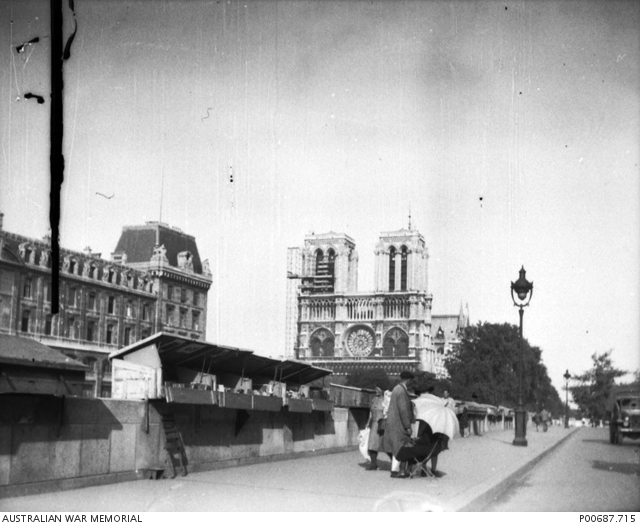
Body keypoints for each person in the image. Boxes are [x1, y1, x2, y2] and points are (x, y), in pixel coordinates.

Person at [383, 371, 415, 479]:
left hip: (392, 423)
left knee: (396, 447)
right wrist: (408, 426)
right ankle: (401, 471)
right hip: (399, 425)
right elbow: (403, 410)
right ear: (409, 380)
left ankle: (395, 470)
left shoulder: (396, 389)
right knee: (402, 447)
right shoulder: (401, 391)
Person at [364, 386, 387, 471]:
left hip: (382, 424)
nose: (376, 391)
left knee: (386, 445)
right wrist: (367, 422)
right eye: (375, 390)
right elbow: (371, 412)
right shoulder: (373, 399)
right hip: (374, 424)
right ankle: (373, 463)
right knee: (372, 445)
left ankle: (395, 465)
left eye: (378, 389)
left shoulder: (386, 400)